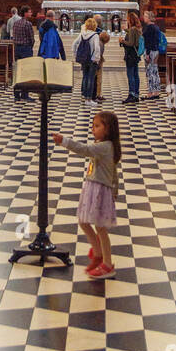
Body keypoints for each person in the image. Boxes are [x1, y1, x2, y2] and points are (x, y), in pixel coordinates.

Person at [53, 110, 121, 280]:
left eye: (97, 126)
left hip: (100, 190)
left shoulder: (105, 147)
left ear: (108, 129)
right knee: (84, 221)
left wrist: (64, 141)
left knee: (100, 228)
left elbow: (84, 149)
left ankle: (107, 263)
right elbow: (113, 172)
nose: (93, 129)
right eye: (93, 126)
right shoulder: (103, 145)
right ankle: (97, 253)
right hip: (93, 188)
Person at [11, 6, 35, 101]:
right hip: (25, 49)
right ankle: (25, 94)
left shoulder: (16, 23)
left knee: (18, 71)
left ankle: (16, 94)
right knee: (26, 72)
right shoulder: (27, 24)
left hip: (17, 49)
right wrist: (30, 47)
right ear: (25, 13)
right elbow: (31, 38)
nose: (31, 13)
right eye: (29, 12)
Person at [74, 17, 101, 101]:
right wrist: (96, 59)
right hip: (92, 60)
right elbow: (97, 48)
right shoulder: (95, 35)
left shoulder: (82, 34)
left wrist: (76, 54)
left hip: (84, 59)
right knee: (91, 78)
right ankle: (89, 99)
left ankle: (84, 95)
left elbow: (74, 44)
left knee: (85, 77)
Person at [121, 11, 143, 103]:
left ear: (131, 20)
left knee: (131, 75)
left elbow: (131, 43)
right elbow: (133, 37)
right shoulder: (137, 29)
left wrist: (122, 41)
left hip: (131, 55)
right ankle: (136, 94)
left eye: (128, 20)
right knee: (135, 75)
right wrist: (126, 30)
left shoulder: (133, 29)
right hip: (135, 55)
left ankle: (132, 95)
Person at [142, 10, 161, 99]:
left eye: (145, 16)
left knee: (150, 72)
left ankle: (151, 92)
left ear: (149, 18)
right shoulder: (156, 27)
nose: (144, 18)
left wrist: (147, 54)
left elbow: (149, 41)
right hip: (156, 51)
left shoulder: (149, 27)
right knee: (155, 71)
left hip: (150, 51)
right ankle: (156, 91)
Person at [95, 31, 110, 101]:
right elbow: (99, 54)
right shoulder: (101, 44)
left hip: (96, 62)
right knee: (98, 80)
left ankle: (97, 94)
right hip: (98, 63)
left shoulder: (98, 41)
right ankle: (98, 95)